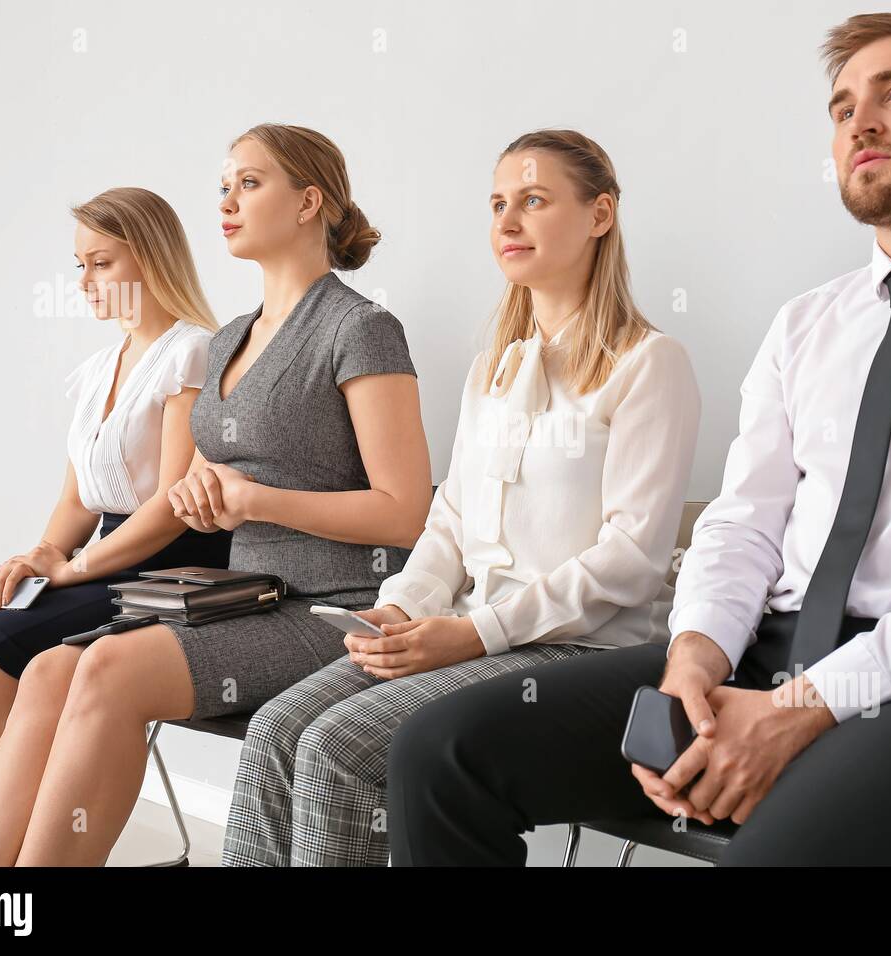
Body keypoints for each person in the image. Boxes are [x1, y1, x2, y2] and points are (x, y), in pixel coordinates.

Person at [385, 14, 891, 866]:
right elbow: (741, 525)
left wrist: (811, 704)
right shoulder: (807, 324)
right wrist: (692, 661)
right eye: (841, 109)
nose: (860, 122)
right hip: (767, 658)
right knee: (441, 753)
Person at [0, 124, 432, 866]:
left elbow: (404, 512)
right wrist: (69, 556)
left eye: (249, 183)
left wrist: (255, 500)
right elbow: (187, 488)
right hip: (247, 594)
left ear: (309, 202)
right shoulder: (234, 334)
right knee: (49, 666)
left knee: (105, 670)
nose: (227, 202)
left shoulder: (362, 329)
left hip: (336, 604)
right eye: (223, 187)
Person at [221, 129, 701, 866]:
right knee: (276, 731)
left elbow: (632, 561)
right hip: (467, 628)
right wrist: (402, 606)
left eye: (533, 201)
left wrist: (477, 634)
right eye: (498, 203)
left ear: (600, 214)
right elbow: (449, 520)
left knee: (335, 749)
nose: (507, 223)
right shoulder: (493, 370)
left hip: (572, 651)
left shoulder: (649, 365)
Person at [0, 187, 229, 867]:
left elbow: (169, 505)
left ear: (150, 258)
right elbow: (80, 499)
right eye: (78, 265)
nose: (85, 282)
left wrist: (75, 568)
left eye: (101, 263)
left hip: (162, 564)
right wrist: (45, 550)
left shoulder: (191, 355)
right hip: (104, 552)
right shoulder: (99, 370)